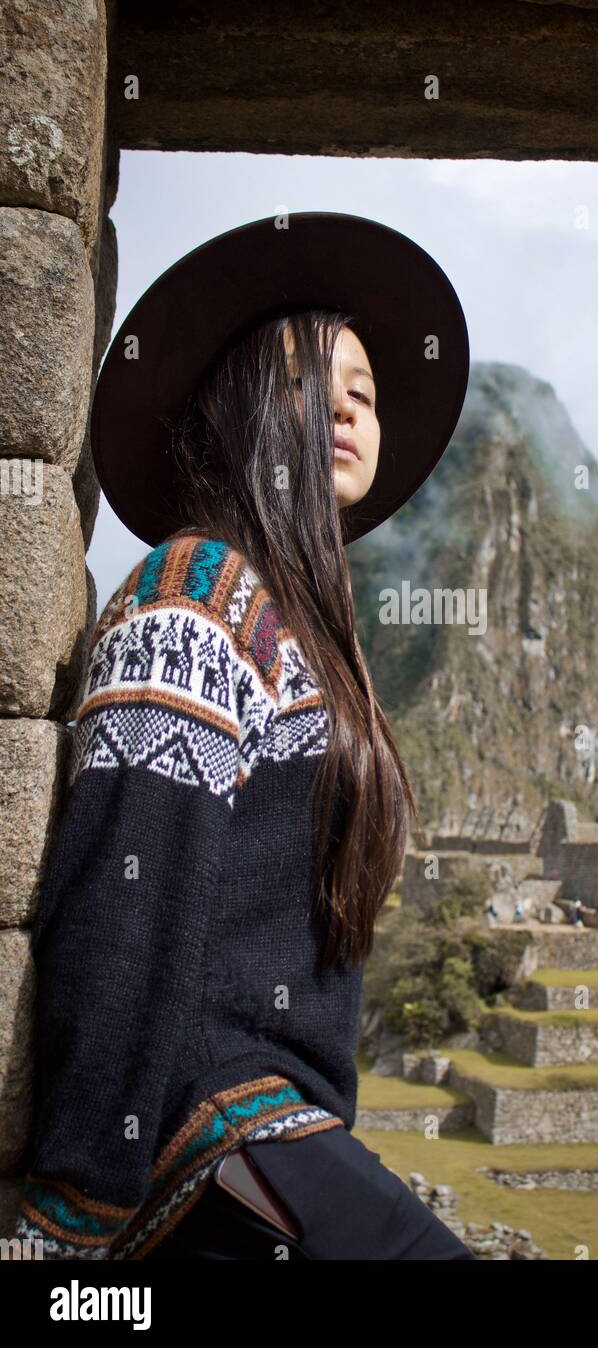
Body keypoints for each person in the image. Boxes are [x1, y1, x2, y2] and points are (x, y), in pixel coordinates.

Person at [14, 212, 477, 1262]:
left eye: (366, 389)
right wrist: (71, 1219)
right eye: (319, 379)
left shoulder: (305, 637)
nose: (355, 404)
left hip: (287, 1145)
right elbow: (123, 910)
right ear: (245, 403)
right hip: (206, 1145)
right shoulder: (196, 594)